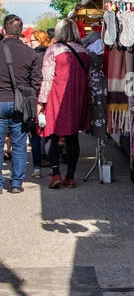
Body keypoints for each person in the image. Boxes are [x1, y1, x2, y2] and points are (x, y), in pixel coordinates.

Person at [37, 18, 91, 188]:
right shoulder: (84, 52)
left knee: (50, 135)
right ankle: (70, 176)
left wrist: (41, 103)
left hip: (56, 97)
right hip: (77, 98)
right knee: (72, 137)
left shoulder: (53, 50)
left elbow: (47, 78)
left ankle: (55, 173)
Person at [0, 14, 42, 192]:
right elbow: (37, 82)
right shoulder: (31, 53)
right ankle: (16, 183)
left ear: (3, 30)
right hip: (21, 104)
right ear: (21, 32)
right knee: (19, 144)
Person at [25, 29, 50, 176]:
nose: (29, 43)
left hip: (36, 98)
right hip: (50, 99)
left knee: (34, 135)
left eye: (32, 40)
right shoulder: (51, 55)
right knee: (49, 133)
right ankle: (53, 165)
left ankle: (37, 168)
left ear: (39, 41)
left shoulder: (33, 56)